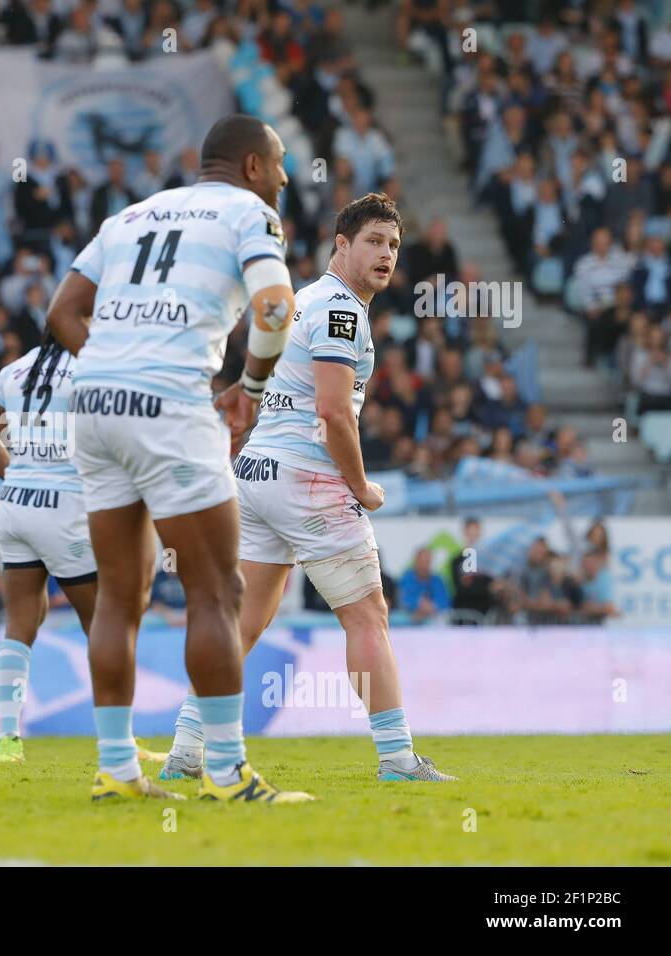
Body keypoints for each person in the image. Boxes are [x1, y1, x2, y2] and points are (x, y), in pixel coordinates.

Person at [47, 113, 311, 802]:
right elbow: (278, 307)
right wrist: (249, 389)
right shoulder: (248, 214)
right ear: (253, 166)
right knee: (217, 591)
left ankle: (115, 770)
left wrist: (113, 363)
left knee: (118, 595)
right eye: (279, 164)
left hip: (94, 405)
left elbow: (61, 312)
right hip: (170, 405)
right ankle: (226, 773)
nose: (285, 178)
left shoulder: (130, 215)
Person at [172, 192, 456, 783]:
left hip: (255, 475)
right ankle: (398, 758)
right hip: (308, 480)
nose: (386, 255)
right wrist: (361, 485)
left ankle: (186, 748)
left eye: (394, 246)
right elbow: (332, 412)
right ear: (342, 245)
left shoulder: (300, 300)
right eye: (374, 242)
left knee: (244, 620)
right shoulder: (341, 309)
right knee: (368, 615)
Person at [0, 334, 99, 763]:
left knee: (20, 624)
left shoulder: (16, 368)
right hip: (65, 508)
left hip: (17, 505)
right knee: (103, 624)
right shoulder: (92, 364)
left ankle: (8, 737)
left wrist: (20, 473)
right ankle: (119, 741)